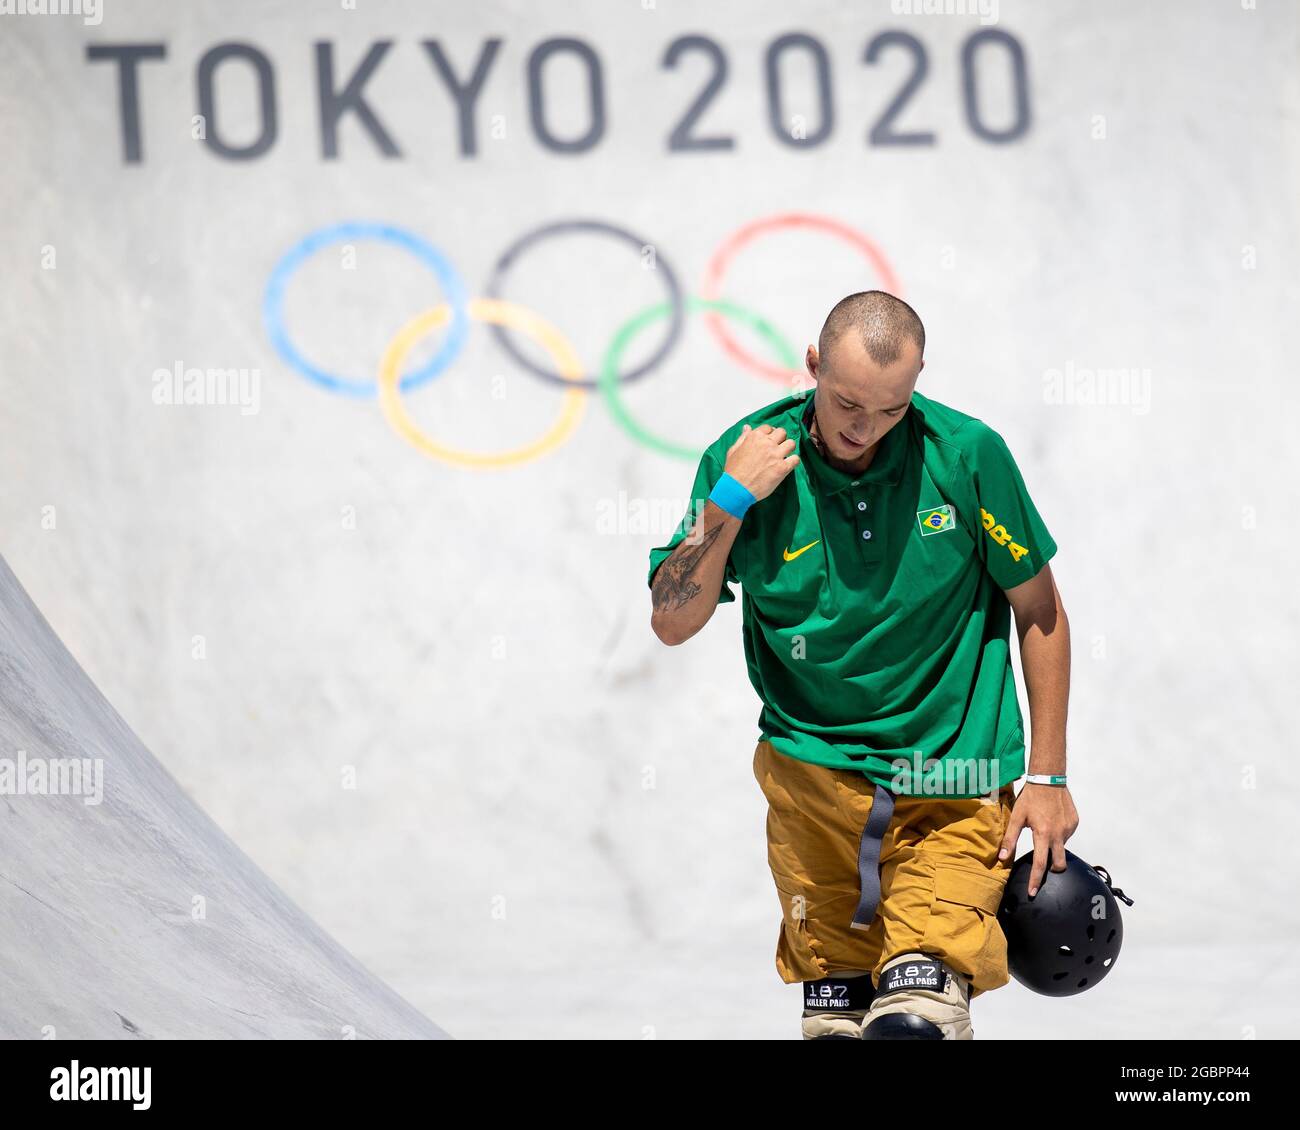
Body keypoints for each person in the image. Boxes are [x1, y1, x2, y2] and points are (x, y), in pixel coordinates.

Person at [646, 291, 1078, 1040]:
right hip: (811, 793)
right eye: (846, 402)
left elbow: (1040, 609)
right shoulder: (742, 461)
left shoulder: (966, 456)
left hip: (949, 785)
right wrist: (727, 505)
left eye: (889, 409)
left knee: (915, 1025)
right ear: (812, 366)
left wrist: (1046, 777)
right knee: (840, 1031)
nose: (864, 428)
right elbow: (671, 620)